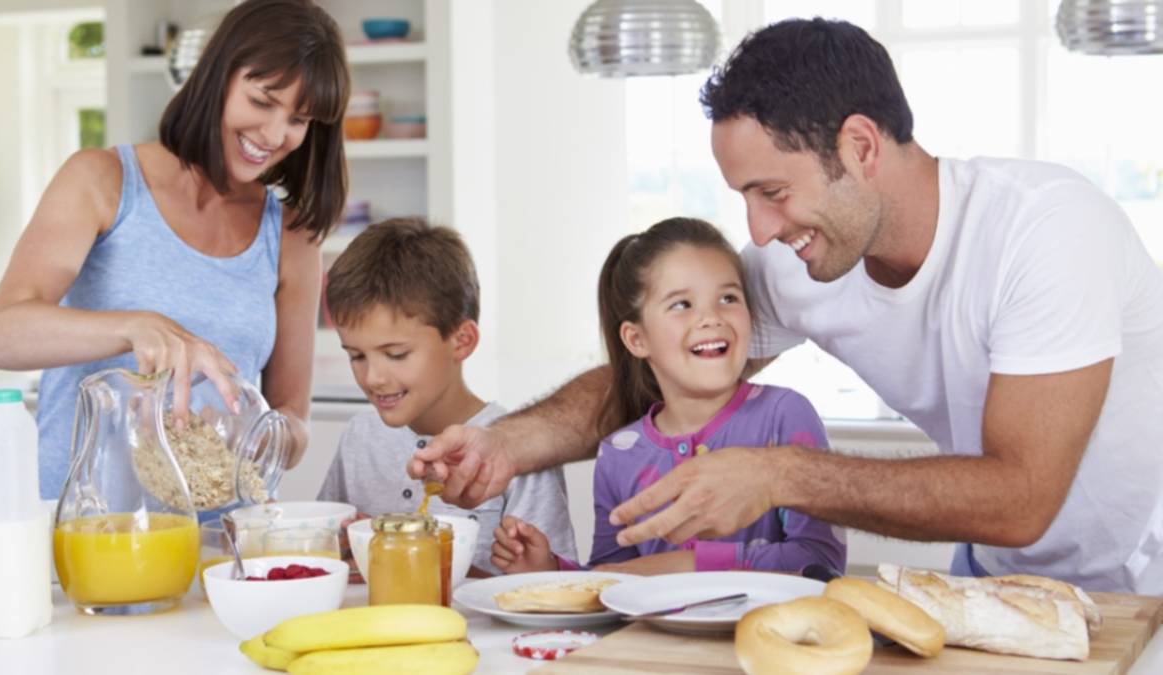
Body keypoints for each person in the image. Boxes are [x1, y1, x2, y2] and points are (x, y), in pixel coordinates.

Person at [412, 18, 1163, 594]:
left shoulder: (1046, 231)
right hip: (992, 573)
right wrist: (506, 444)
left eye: (772, 192)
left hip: (1141, 573)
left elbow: (1021, 495)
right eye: (747, 198)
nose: (760, 231)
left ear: (861, 147)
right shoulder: (807, 253)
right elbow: (661, 369)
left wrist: (778, 474)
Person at [0, 0, 349, 499]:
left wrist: (256, 437)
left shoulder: (292, 237)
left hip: (220, 549)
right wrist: (137, 327)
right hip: (86, 536)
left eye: (299, 120)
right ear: (218, 77)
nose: (276, 135)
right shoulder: (100, 181)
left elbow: (293, 418)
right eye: (262, 102)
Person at [491, 217, 844, 576]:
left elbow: (819, 562)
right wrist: (552, 569)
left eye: (728, 298)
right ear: (636, 339)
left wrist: (688, 564)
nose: (711, 317)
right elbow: (613, 577)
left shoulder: (785, 416)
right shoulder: (619, 453)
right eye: (681, 304)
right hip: (649, 636)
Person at [316, 217, 577, 576]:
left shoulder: (518, 448)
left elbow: (554, 590)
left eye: (396, 354)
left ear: (462, 341)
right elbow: (325, 557)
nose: (373, 378)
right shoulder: (359, 438)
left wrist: (410, 560)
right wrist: (340, 549)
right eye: (356, 355)